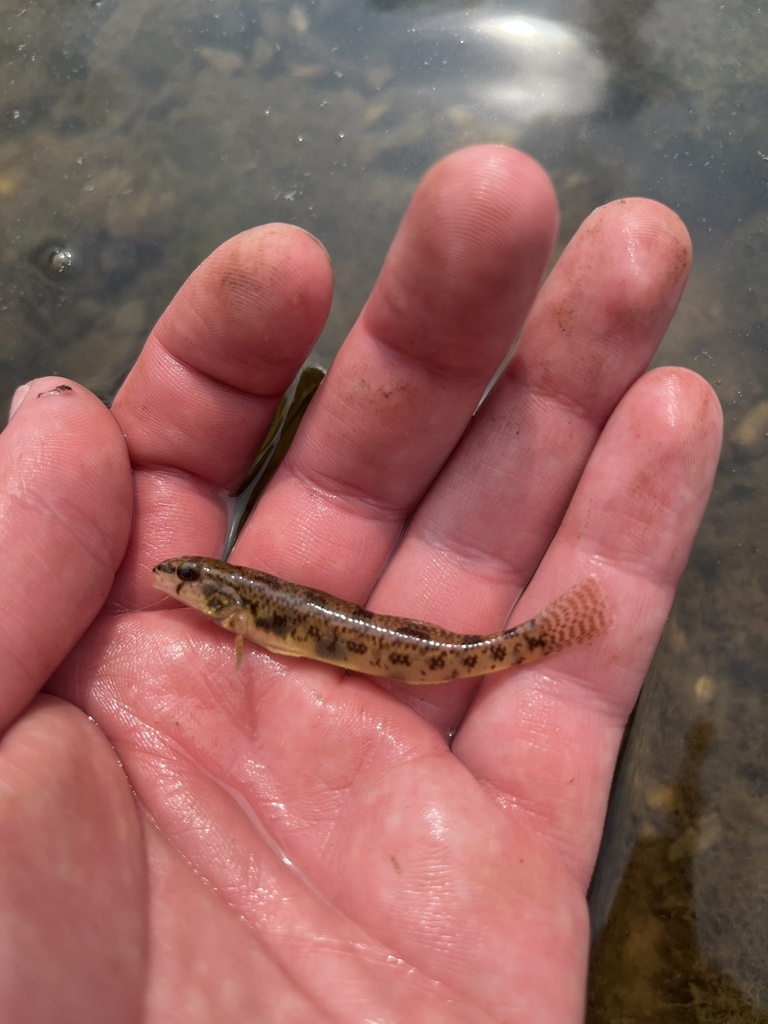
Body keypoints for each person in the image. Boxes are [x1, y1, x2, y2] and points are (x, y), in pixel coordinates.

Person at [0, 145, 721, 1023]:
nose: (175, 580)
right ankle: (531, 641)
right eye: (188, 575)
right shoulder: (228, 611)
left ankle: (539, 638)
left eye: (188, 576)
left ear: (219, 597)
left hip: (419, 647)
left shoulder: (235, 610)